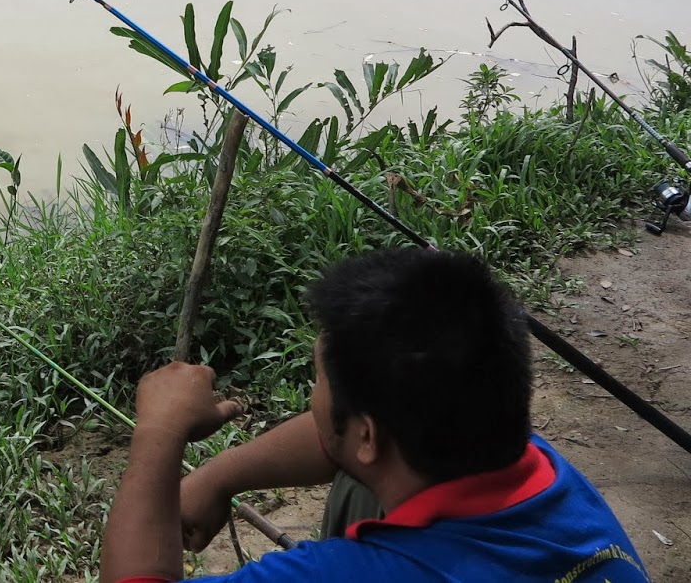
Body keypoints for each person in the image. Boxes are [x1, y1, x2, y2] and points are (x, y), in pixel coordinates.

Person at [99, 247, 650, 582]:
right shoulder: (536, 468)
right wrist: (219, 477)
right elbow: (337, 441)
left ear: (366, 433)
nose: (314, 400)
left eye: (318, 382)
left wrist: (160, 430)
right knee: (365, 481)